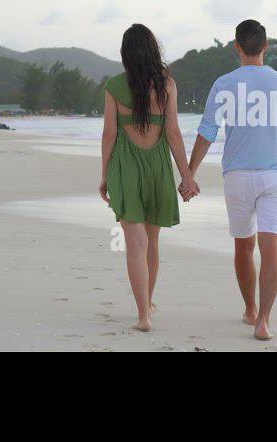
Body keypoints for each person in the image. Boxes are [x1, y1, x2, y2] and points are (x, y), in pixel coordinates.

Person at [186, 19, 277, 340]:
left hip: (237, 176)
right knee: (271, 246)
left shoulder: (224, 83)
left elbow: (207, 131)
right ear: (265, 46)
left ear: (236, 47)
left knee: (244, 246)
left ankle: (250, 309)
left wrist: (189, 175)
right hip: (275, 176)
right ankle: (264, 320)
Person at [100, 23, 199, 332]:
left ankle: (143, 315)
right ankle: (149, 303)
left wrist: (104, 176)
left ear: (125, 54)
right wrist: (187, 176)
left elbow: (109, 135)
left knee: (135, 243)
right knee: (152, 240)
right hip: (157, 166)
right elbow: (172, 132)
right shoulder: (167, 84)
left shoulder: (115, 86)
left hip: (125, 166)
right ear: (154, 51)